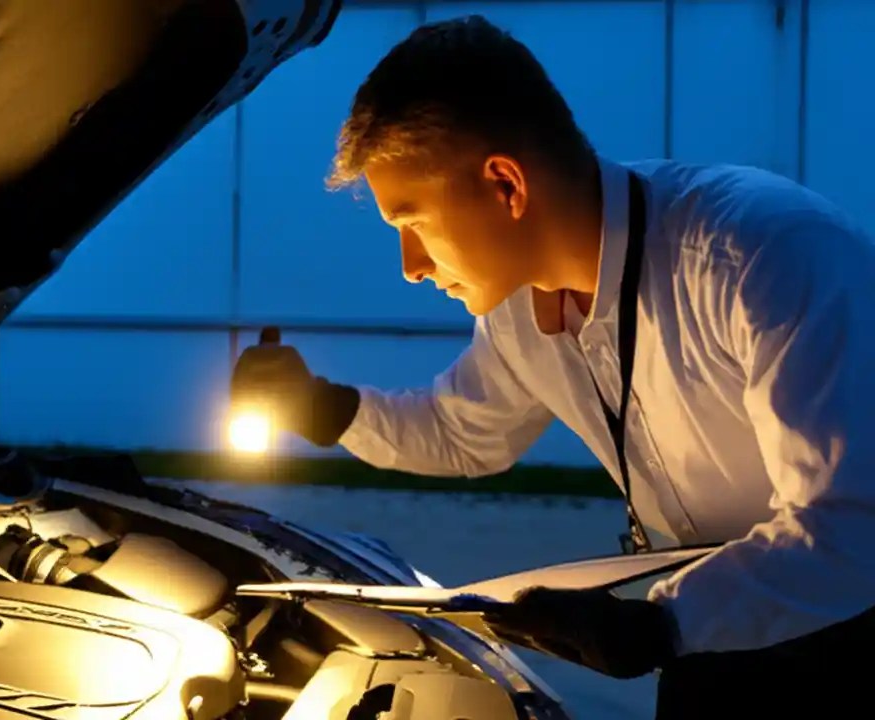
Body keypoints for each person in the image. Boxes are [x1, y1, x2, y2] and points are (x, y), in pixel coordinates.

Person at [229, 14, 875, 718]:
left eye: (412, 224)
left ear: (506, 185)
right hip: (706, 639)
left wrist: (661, 623)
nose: (411, 268)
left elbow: (851, 528)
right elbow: (464, 433)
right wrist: (319, 406)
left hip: (842, 630)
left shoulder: (762, 255)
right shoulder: (518, 309)